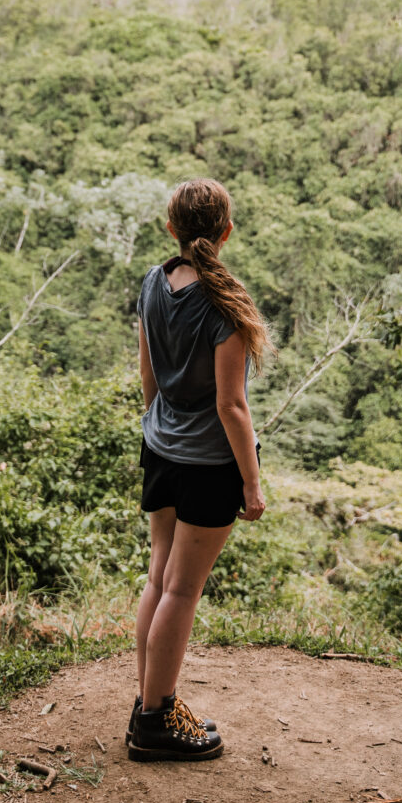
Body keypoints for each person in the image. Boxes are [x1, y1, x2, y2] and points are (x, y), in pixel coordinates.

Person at [128, 177, 267, 762]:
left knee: (160, 579)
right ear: (226, 231)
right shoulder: (225, 303)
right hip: (208, 463)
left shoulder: (153, 284)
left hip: (160, 448)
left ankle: (149, 704)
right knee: (182, 590)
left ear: (172, 230)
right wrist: (252, 481)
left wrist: (159, 426)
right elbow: (231, 405)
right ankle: (156, 720)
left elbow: (148, 374)